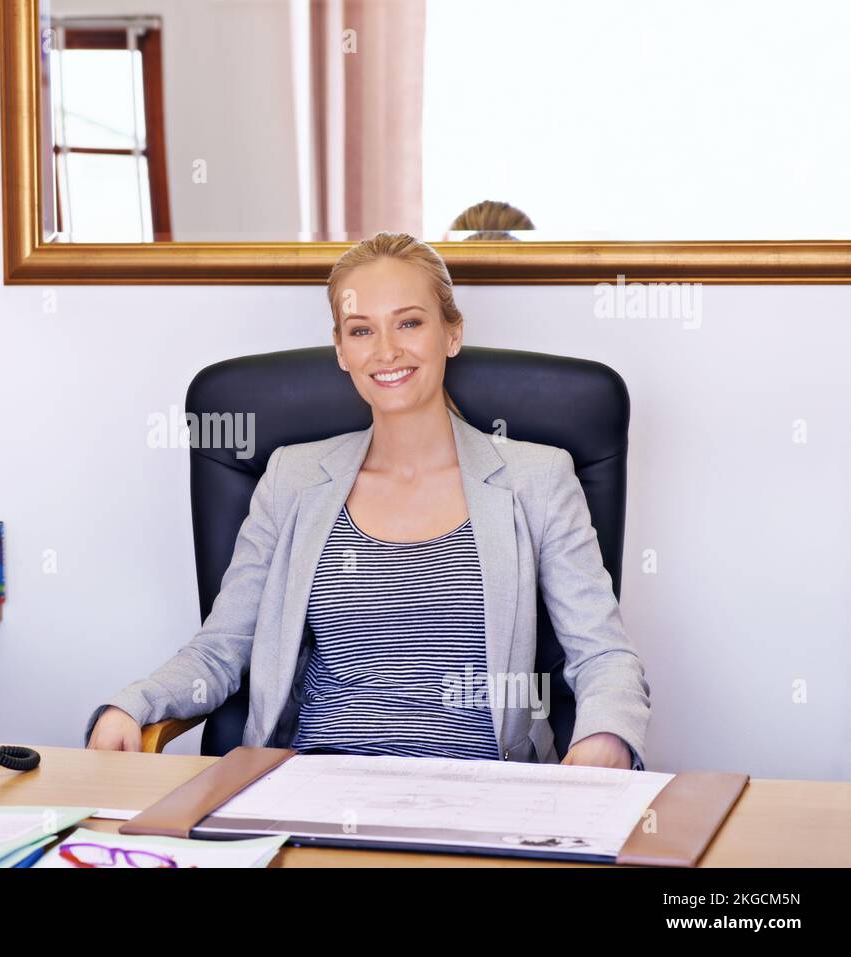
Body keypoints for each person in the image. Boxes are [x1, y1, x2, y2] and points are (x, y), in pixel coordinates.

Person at [86, 231, 650, 769]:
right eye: (360, 330)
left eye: (409, 322)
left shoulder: (537, 479)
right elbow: (222, 646)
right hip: (309, 786)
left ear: (451, 334)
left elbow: (603, 653)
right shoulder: (293, 477)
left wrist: (607, 735)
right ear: (340, 349)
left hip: (480, 790)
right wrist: (132, 705)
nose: (386, 350)